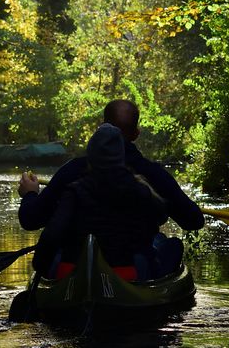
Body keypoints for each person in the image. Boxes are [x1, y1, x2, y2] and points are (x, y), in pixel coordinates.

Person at [18, 100, 204, 276]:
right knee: (168, 244)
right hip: (130, 267)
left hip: (75, 263)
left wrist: (31, 194)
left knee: (60, 248)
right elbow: (193, 221)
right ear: (135, 134)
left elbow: (31, 221)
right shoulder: (149, 179)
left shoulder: (72, 175)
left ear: (97, 136)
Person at [31, 123, 166, 281]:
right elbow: (160, 218)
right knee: (166, 245)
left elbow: (52, 234)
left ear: (91, 156)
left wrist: (40, 268)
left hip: (71, 272)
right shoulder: (141, 190)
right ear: (121, 157)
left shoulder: (74, 192)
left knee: (58, 254)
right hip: (125, 274)